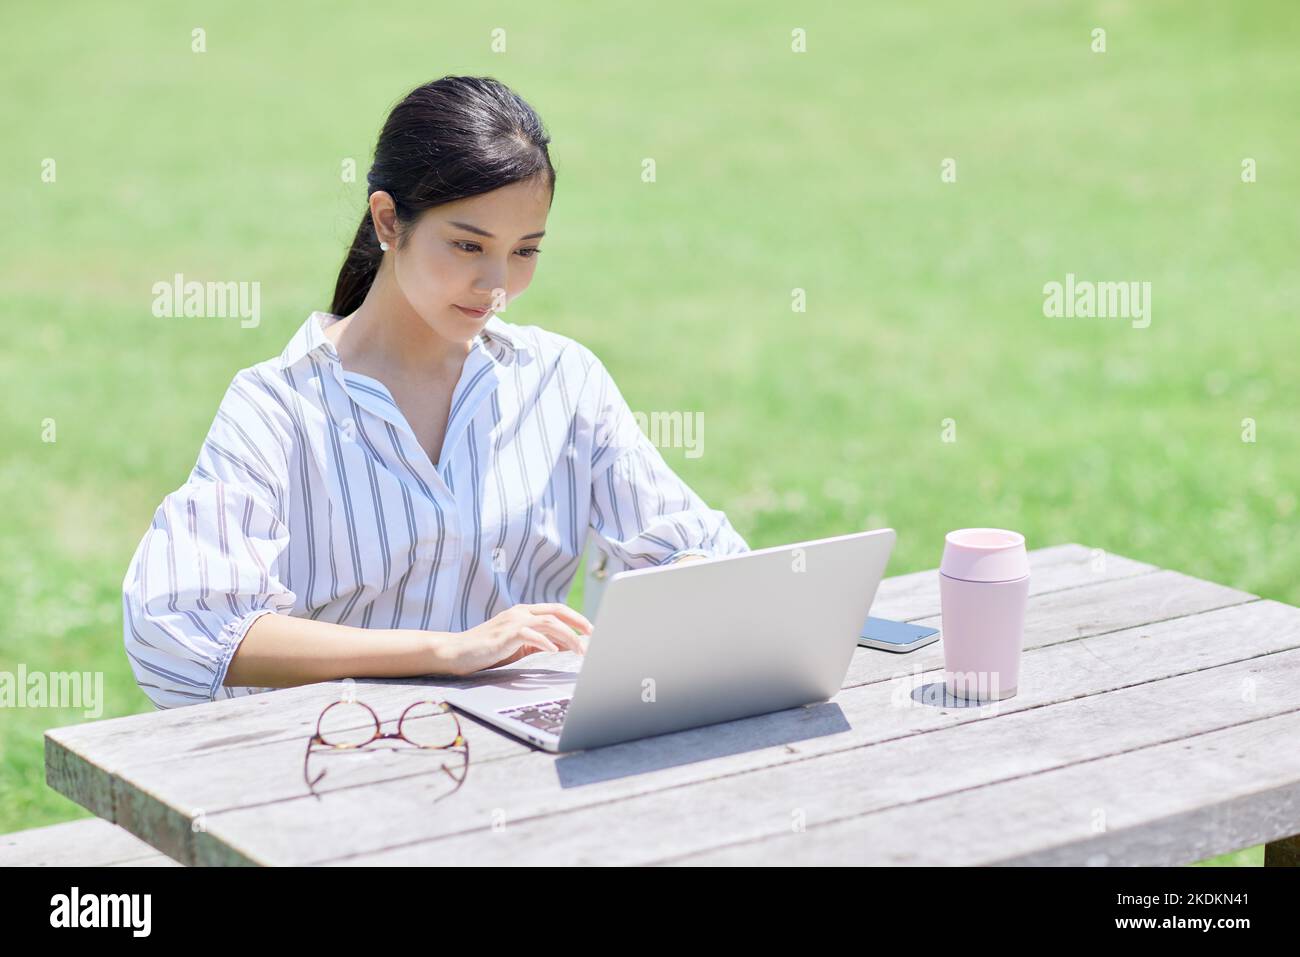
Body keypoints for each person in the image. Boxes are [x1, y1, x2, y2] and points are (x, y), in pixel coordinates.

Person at [121, 76, 749, 710]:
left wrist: (691, 579)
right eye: (468, 245)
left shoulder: (563, 378)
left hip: (527, 751)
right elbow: (179, 627)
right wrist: (447, 652)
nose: (496, 283)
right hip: (340, 754)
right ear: (389, 220)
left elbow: (696, 549)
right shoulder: (278, 405)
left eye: (525, 250)